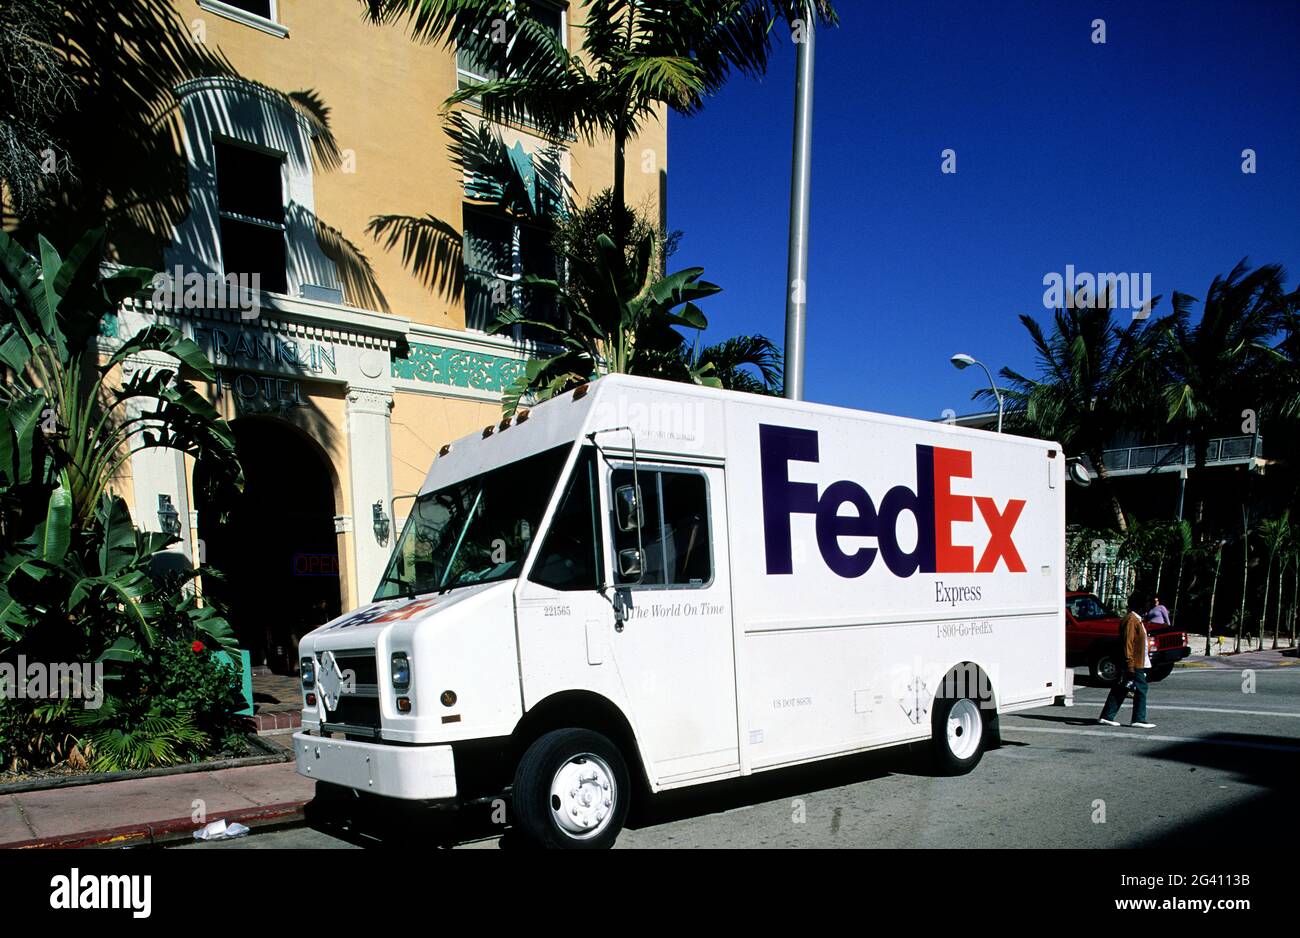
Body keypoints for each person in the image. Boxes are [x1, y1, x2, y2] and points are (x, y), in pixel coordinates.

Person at [1098, 598, 1156, 728]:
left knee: (1122, 687)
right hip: (1134, 662)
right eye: (1147, 605)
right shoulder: (1131, 620)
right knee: (1141, 689)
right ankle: (1138, 719)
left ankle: (1107, 716)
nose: (1148, 609)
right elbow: (1127, 643)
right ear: (1140, 606)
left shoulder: (1137, 620)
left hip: (1138, 661)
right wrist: (1130, 663)